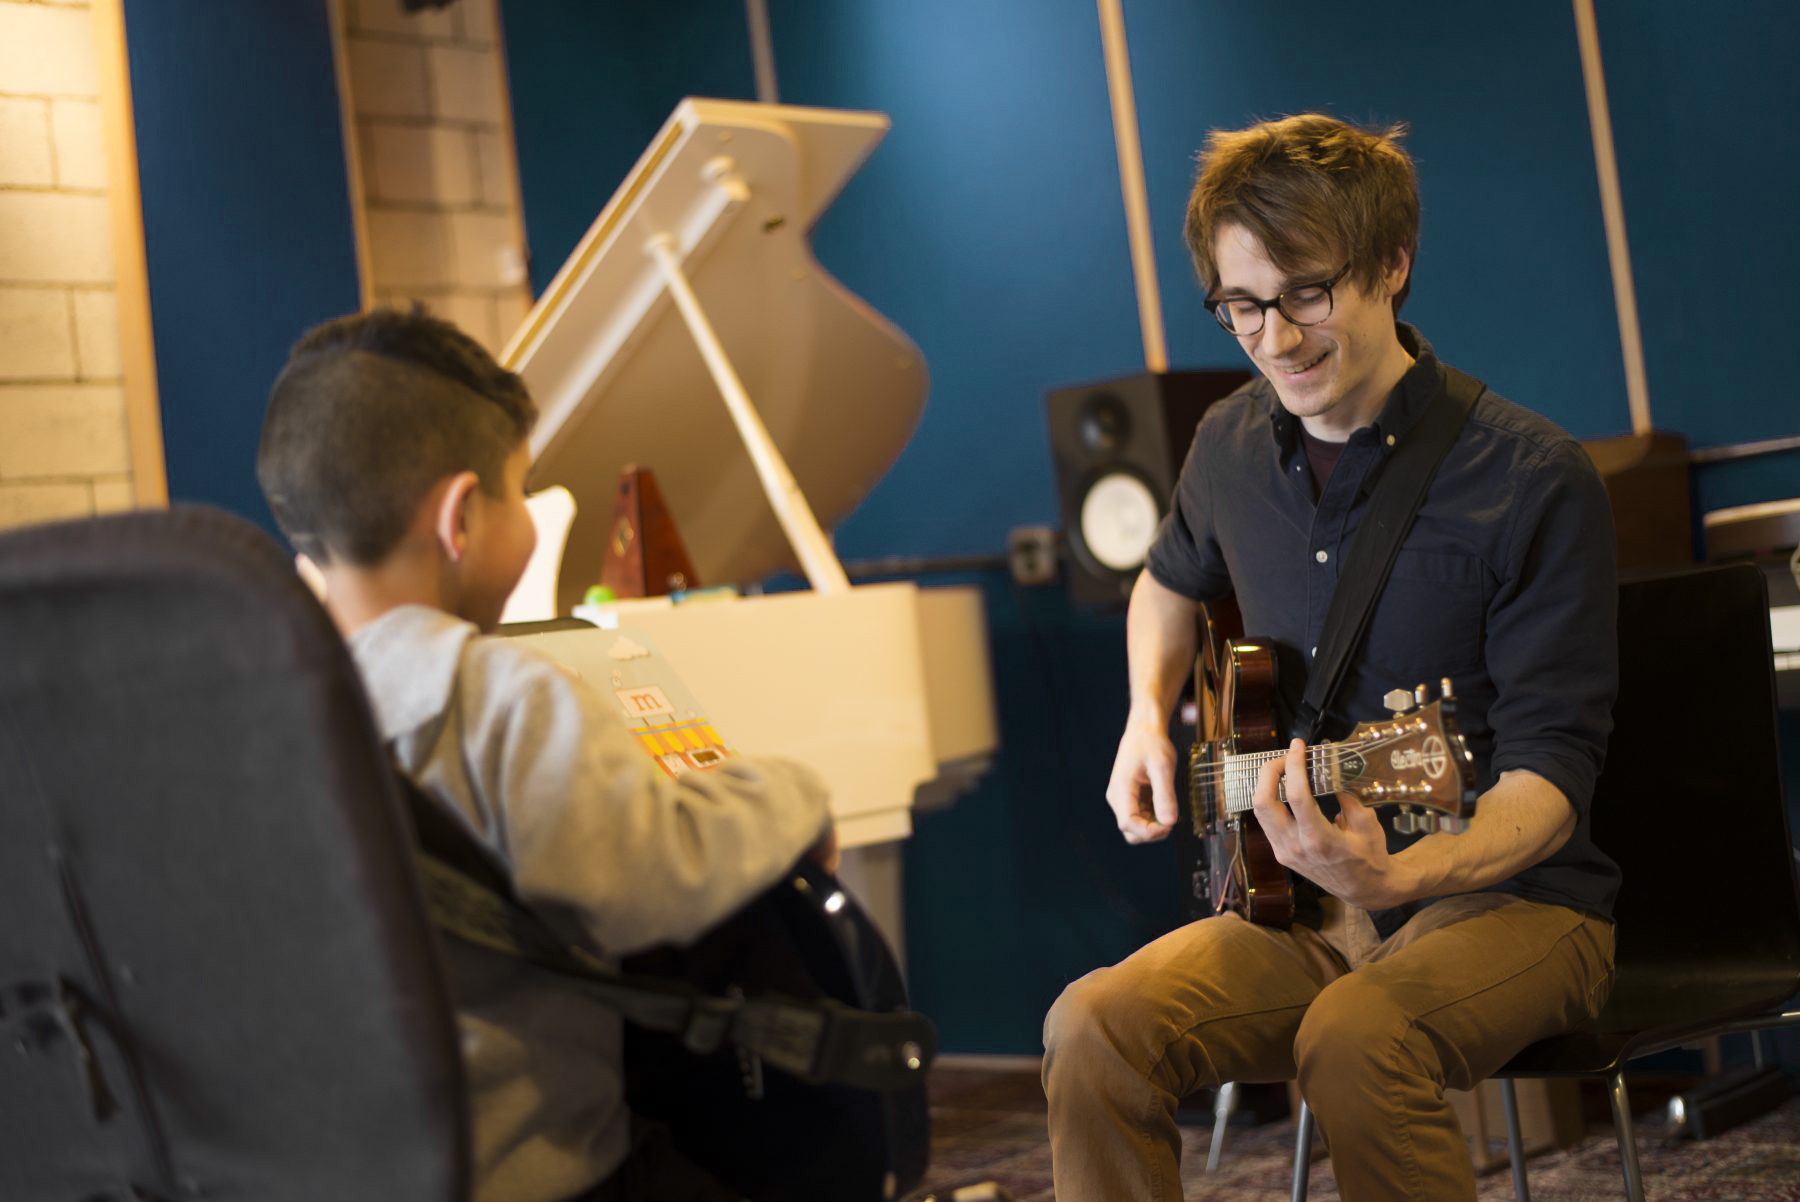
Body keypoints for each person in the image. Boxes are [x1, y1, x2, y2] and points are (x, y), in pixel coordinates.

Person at [1042, 114, 1622, 1201]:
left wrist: (1397, 875)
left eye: (1306, 293)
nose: (1275, 338)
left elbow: (1550, 780)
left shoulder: (1531, 478)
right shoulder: (1227, 443)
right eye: (1241, 305)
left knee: (1356, 1035)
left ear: (1392, 264)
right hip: (1301, 906)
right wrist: (1143, 718)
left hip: (1517, 901)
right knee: (1092, 1024)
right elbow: (1165, 580)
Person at [256, 308, 835, 1202]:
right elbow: (649, 875)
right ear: (460, 517)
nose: (530, 520)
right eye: (521, 492)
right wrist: (793, 797)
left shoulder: (262, 714)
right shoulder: (499, 694)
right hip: (524, 1171)